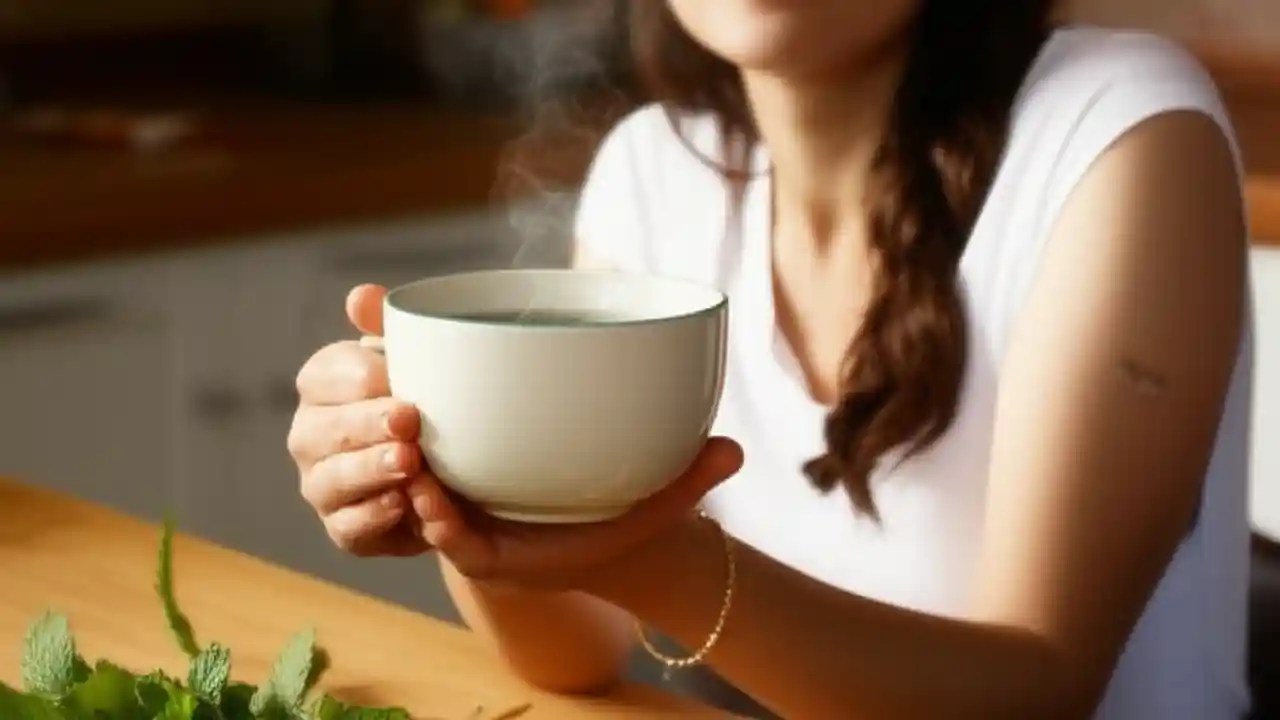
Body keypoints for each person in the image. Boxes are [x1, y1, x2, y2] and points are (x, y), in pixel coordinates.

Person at [287, 2, 1255, 718]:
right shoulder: (650, 173)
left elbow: (1037, 692)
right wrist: (446, 477)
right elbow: (575, 657)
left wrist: (658, 566)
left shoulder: (1117, 129)